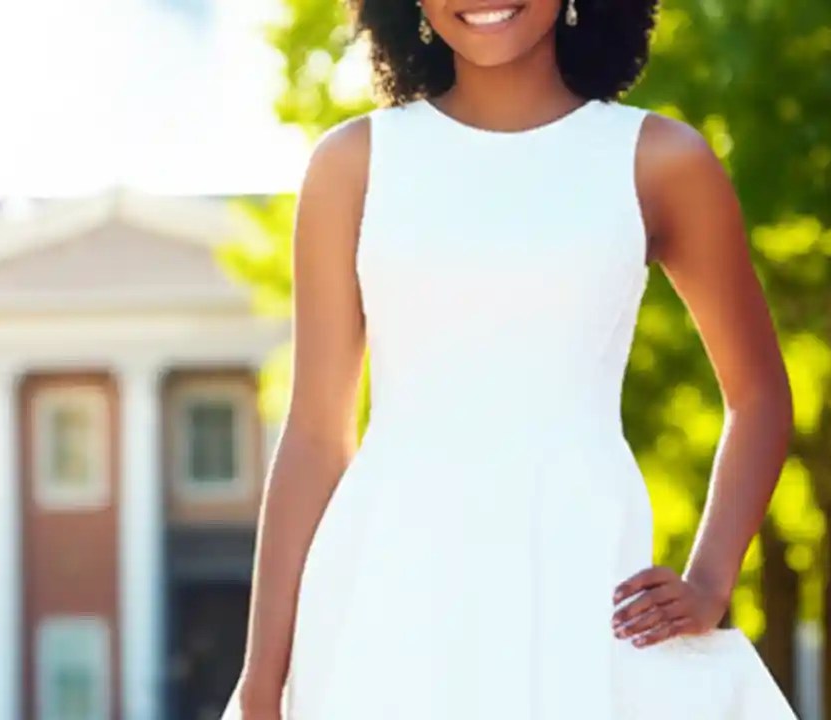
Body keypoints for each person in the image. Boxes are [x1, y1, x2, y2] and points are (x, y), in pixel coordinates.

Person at [221, 1, 797, 717]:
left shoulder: (658, 160)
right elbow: (314, 434)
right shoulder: (354, 164)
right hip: (384, 601)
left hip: (580, 585)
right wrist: (262, 677)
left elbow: (758, 396)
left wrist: (710, 582)